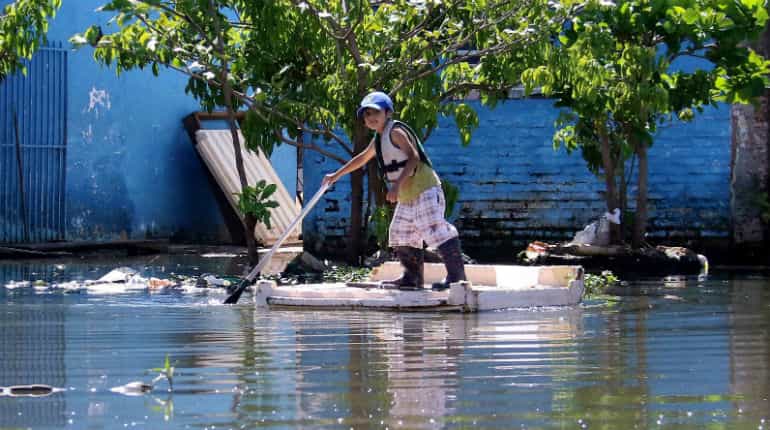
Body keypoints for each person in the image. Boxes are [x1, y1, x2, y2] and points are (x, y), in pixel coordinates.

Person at [321, 91, 466, 290]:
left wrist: (396, 185)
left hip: (424, 187)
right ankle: (412, 278)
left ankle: (457, 277)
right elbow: (362, 158)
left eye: (375, 113)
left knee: (434, 228)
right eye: (366, 115)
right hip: (407, 194)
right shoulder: (379, 139)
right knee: (400, 232)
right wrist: (335, 175)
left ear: (388, 113)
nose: (370, 118)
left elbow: (413, 157)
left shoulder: (395, 131)